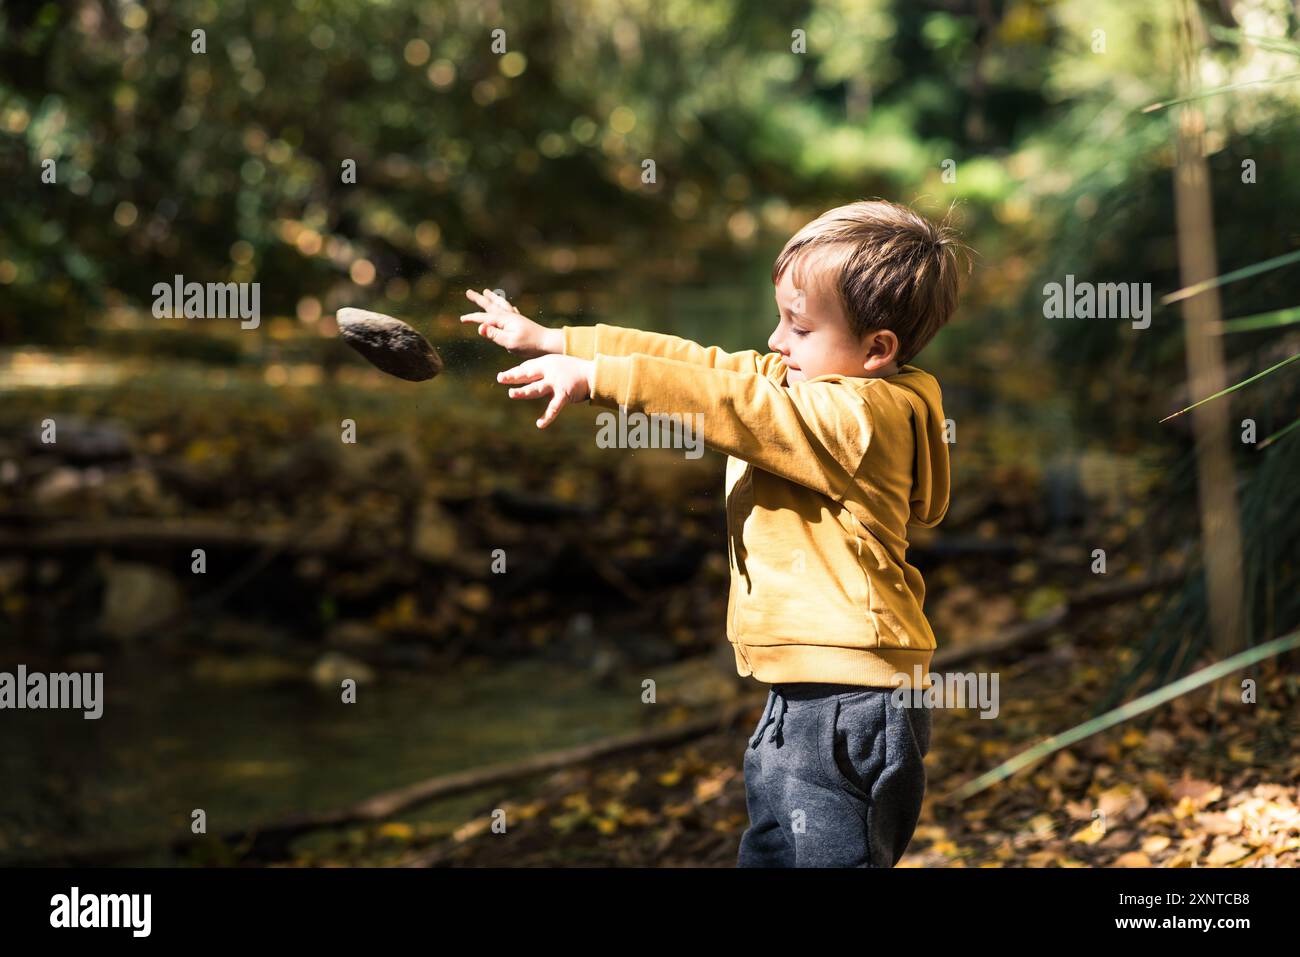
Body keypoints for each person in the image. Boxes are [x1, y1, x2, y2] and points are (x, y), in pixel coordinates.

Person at [461, 198, 970, 867]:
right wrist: (560, 340)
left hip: (851, 701)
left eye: (798, 326)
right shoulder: (810, 381)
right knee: (769, 851)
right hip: (806, 691)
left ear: (878, 350)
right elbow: (703, 367)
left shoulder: (857, 419)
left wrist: (599, 381)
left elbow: (731, 405)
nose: (774, 341)